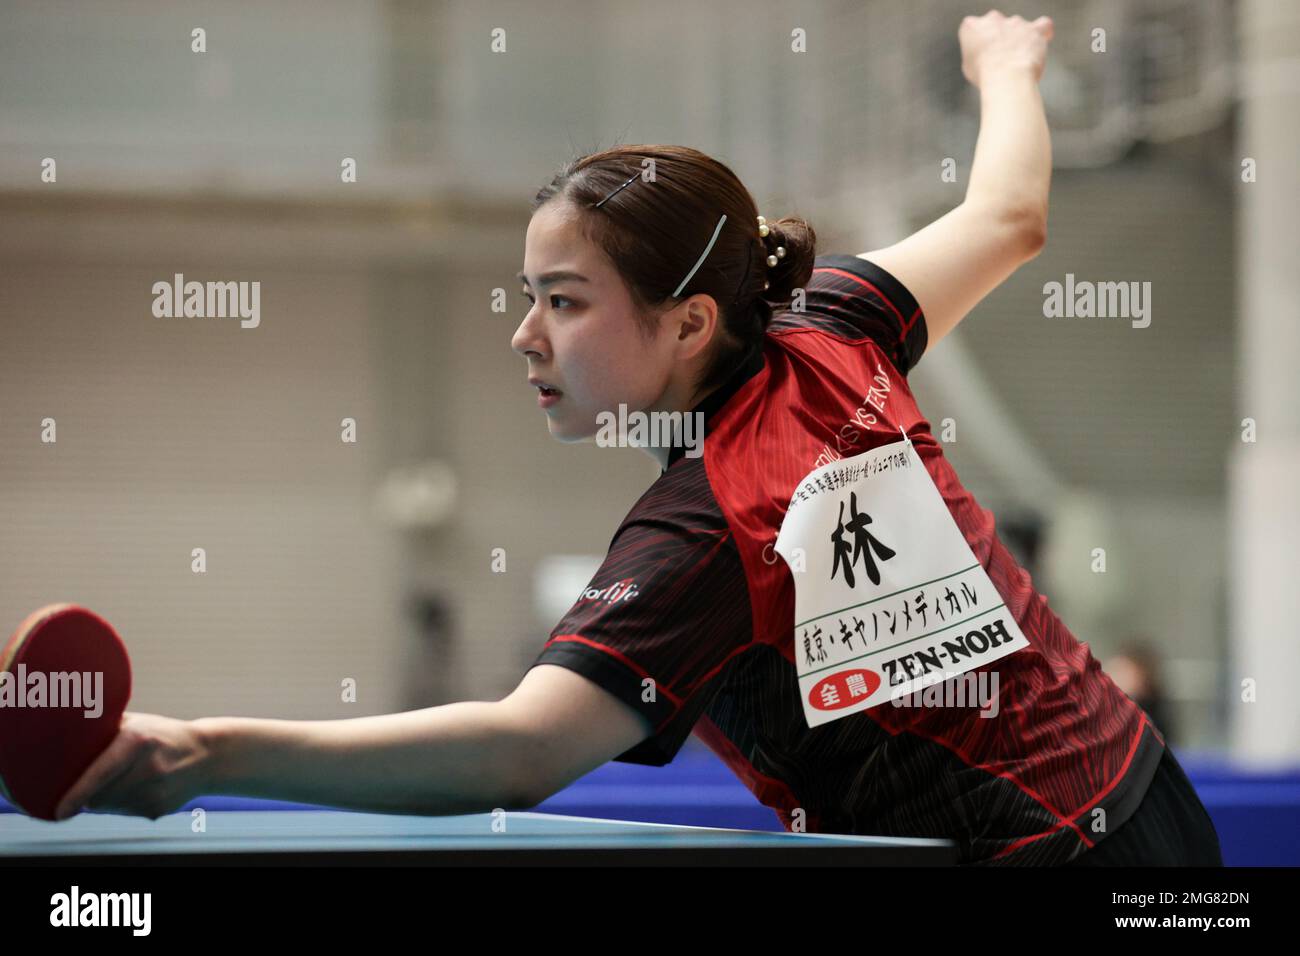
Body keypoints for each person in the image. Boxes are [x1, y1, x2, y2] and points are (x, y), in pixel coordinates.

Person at [54, 12, 1221, 866]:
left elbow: (517, 751)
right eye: (527, 293)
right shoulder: (834, 323)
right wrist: (1005, 68)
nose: (523, 335)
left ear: (686, 322)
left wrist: (203, 754)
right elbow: (1007, 215)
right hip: (1151, 798)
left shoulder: (708, 526)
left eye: (563, 300)